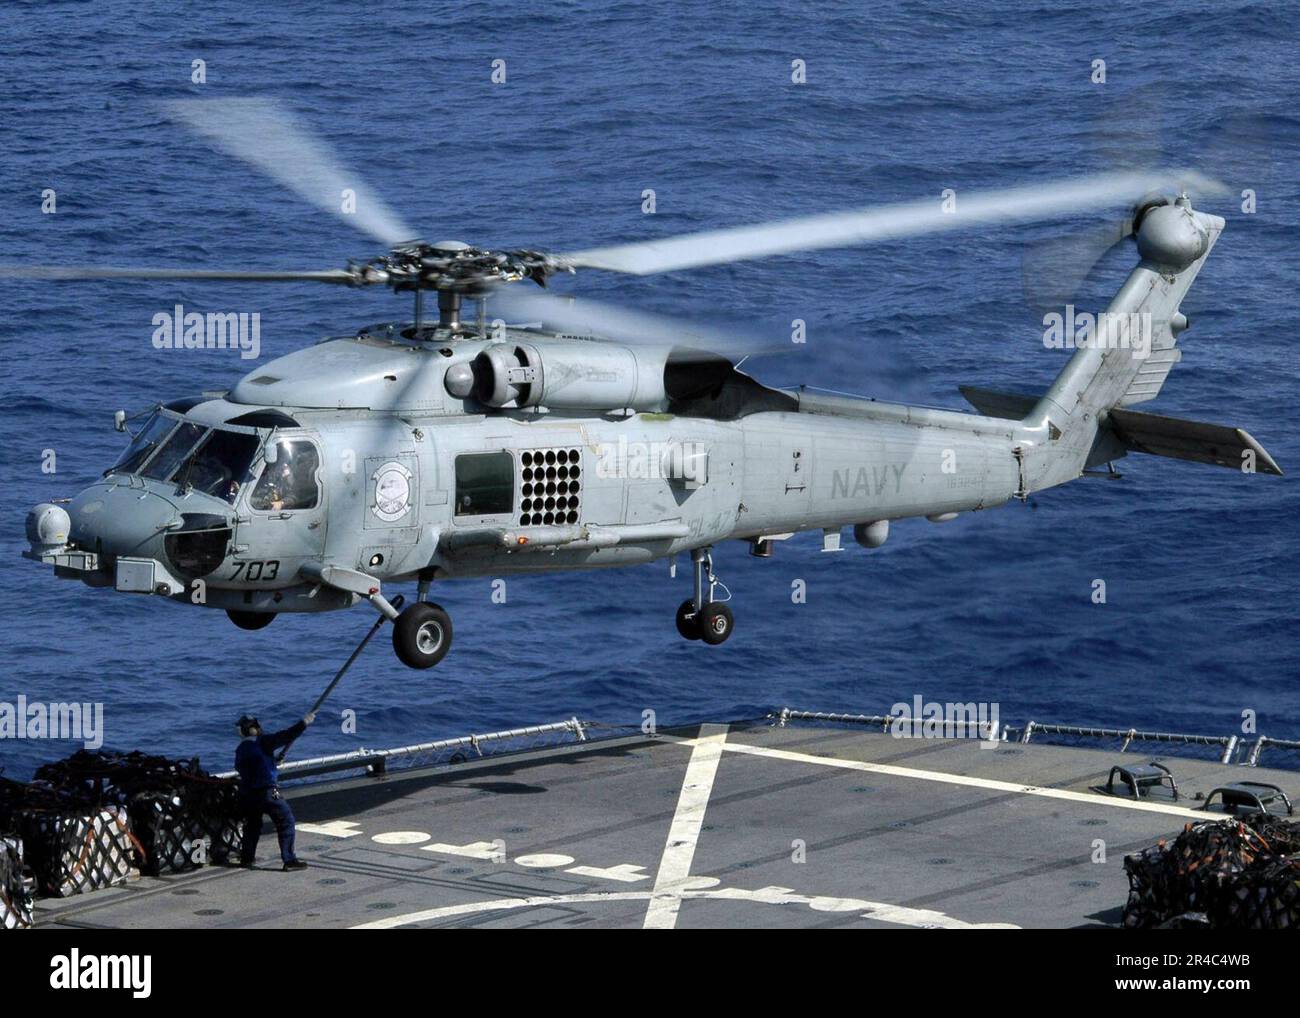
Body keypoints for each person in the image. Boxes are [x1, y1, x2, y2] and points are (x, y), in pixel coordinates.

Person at [234, 712, 315, 871]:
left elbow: (252, 766)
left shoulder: (241, 749)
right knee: (286, 821)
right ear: (254, 728)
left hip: (248, 795)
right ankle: (289, 860)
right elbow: (287, 735)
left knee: (252, 826)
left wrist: (273, 761)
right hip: (267, 793)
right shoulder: (263, 742)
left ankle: (247, 858)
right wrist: (303, 723)